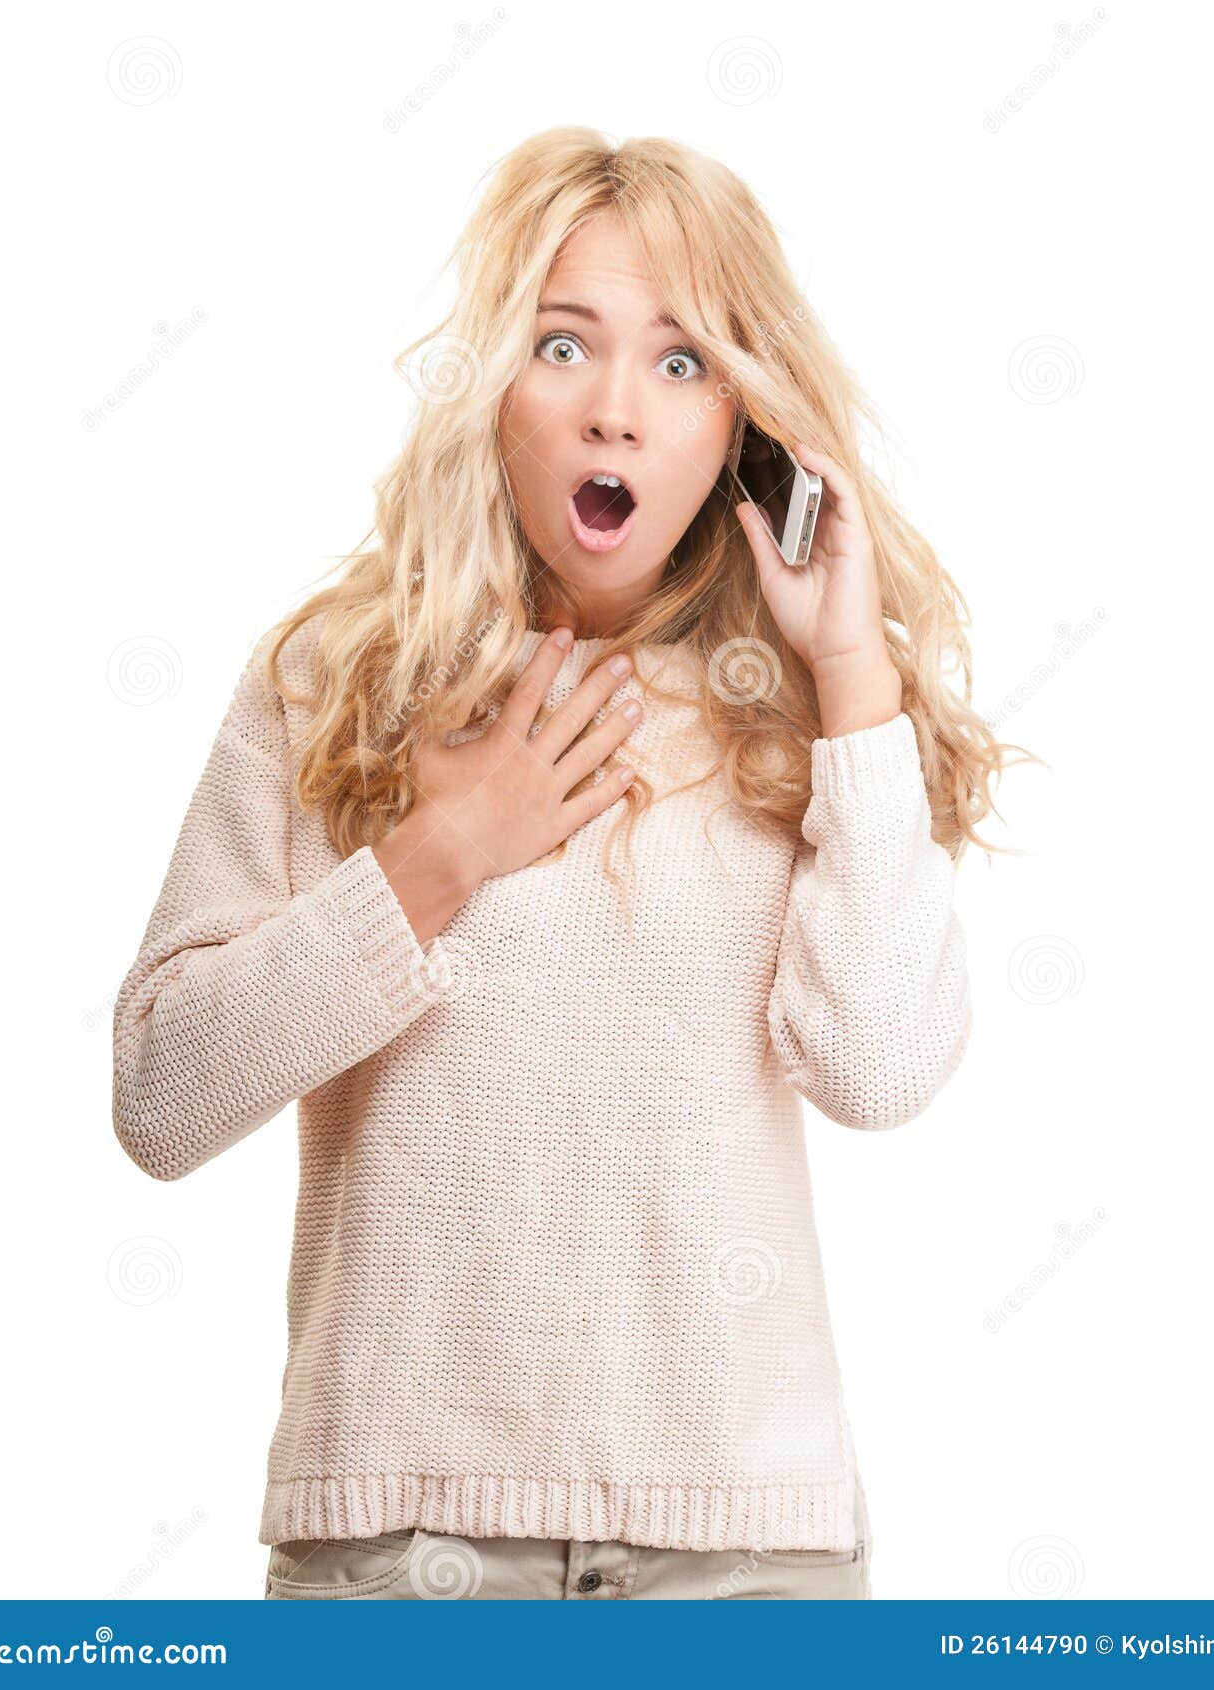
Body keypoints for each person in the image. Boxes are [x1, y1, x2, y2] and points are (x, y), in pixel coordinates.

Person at [112, 126, 1021, 1601]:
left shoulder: (803, 704)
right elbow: (159, 1094)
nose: (614, 412)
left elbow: (881, 1068)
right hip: (402, 1541)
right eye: (560, 346)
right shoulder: (331, 680)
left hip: (745, 1548)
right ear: (490, 393)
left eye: (680, 363)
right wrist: (437, 852)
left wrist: (852, 669)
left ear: (744, 423)